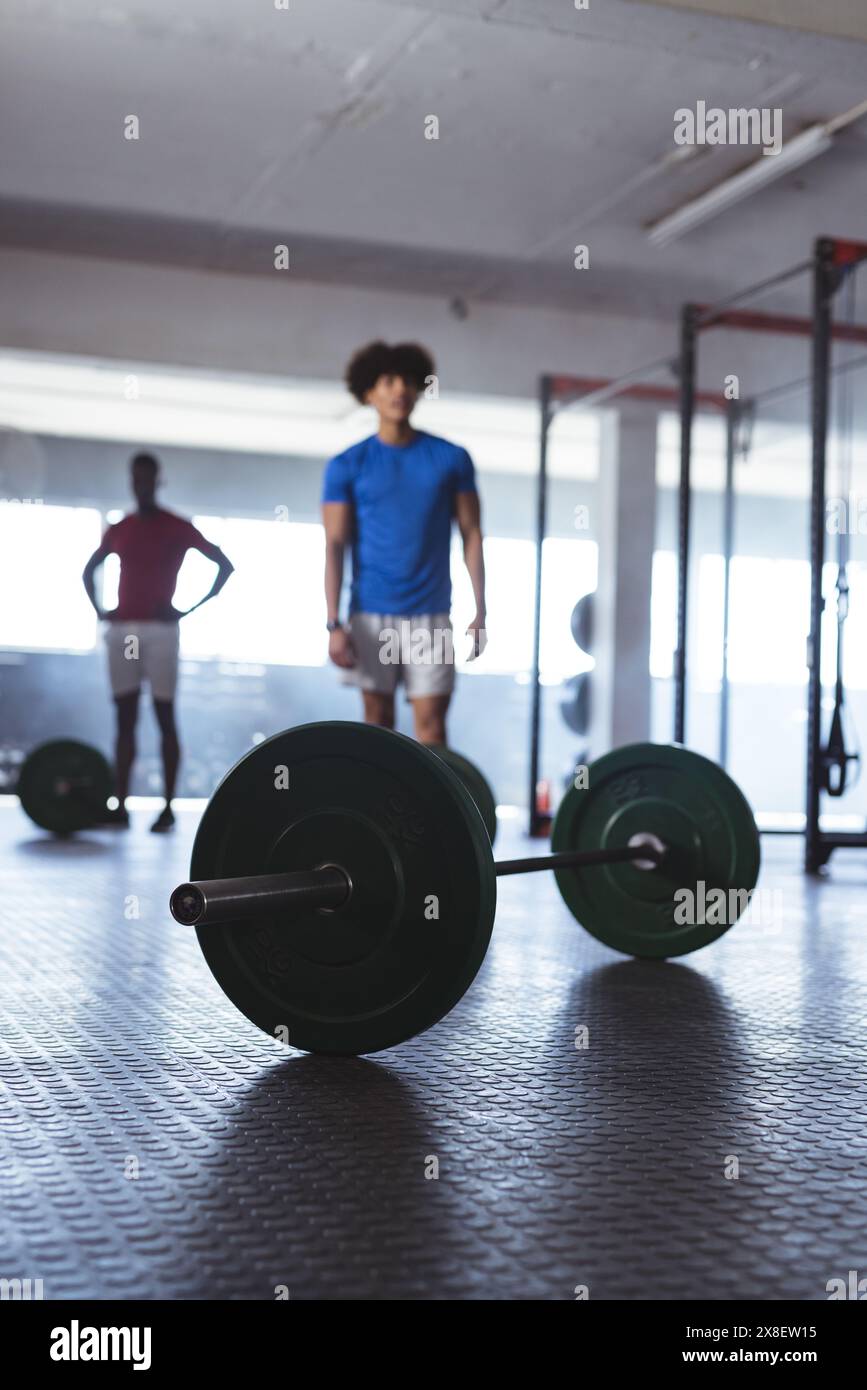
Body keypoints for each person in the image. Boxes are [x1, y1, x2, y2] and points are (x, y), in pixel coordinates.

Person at [322, 341, 486, 744]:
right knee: (377, 729)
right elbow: (334, 545)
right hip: (369, 615)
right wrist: (333, 623)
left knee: (431, 731)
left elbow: (472, 535)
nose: (400, 390)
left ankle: (431, 810)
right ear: (369, 393)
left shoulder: (451, 458)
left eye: (408, 382)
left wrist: (481, 611)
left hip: (431, 616)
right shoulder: (347, 464)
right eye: (389, 381)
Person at [82, 452, 234, 831]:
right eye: (137, 479)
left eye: (148, 479)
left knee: (165, 716)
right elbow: (89, 570)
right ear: (132, 482)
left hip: (161, 631)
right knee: (125, 718)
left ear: (157, 481)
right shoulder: (121, 527)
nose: (142, 486)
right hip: (124, 631)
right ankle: (120, 804)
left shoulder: (177, 526)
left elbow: (224, 566)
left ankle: (166, 807)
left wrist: (185, 610)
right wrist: (103, 610)